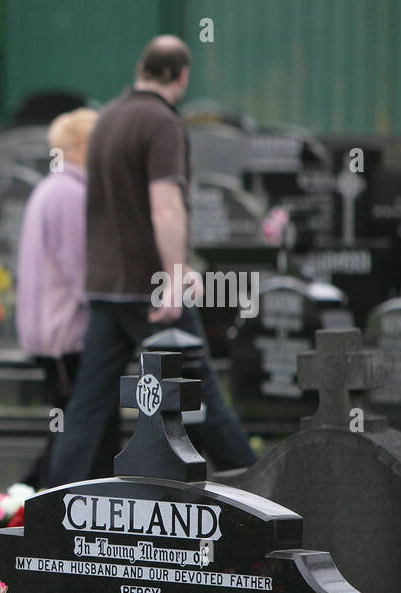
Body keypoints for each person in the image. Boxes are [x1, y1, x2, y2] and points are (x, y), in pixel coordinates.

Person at [45, 36, 255, 487]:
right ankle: (262, 495)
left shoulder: (106, 120)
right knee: (206, 401)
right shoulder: (161, 123)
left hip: (104, 288)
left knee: (86, 408)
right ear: (182, 76)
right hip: (150, 290)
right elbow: (164, 206)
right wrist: (176, 276)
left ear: (142, 67)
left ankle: (48, 514)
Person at [15, 107, 115, 485]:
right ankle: (33, 499)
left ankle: (28, 498)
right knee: (75, 425)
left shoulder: (54, 187)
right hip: (66, 334)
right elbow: (84, 270)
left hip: (52, 331)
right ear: (83, 145)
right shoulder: (71, 194)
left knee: (69, 424)